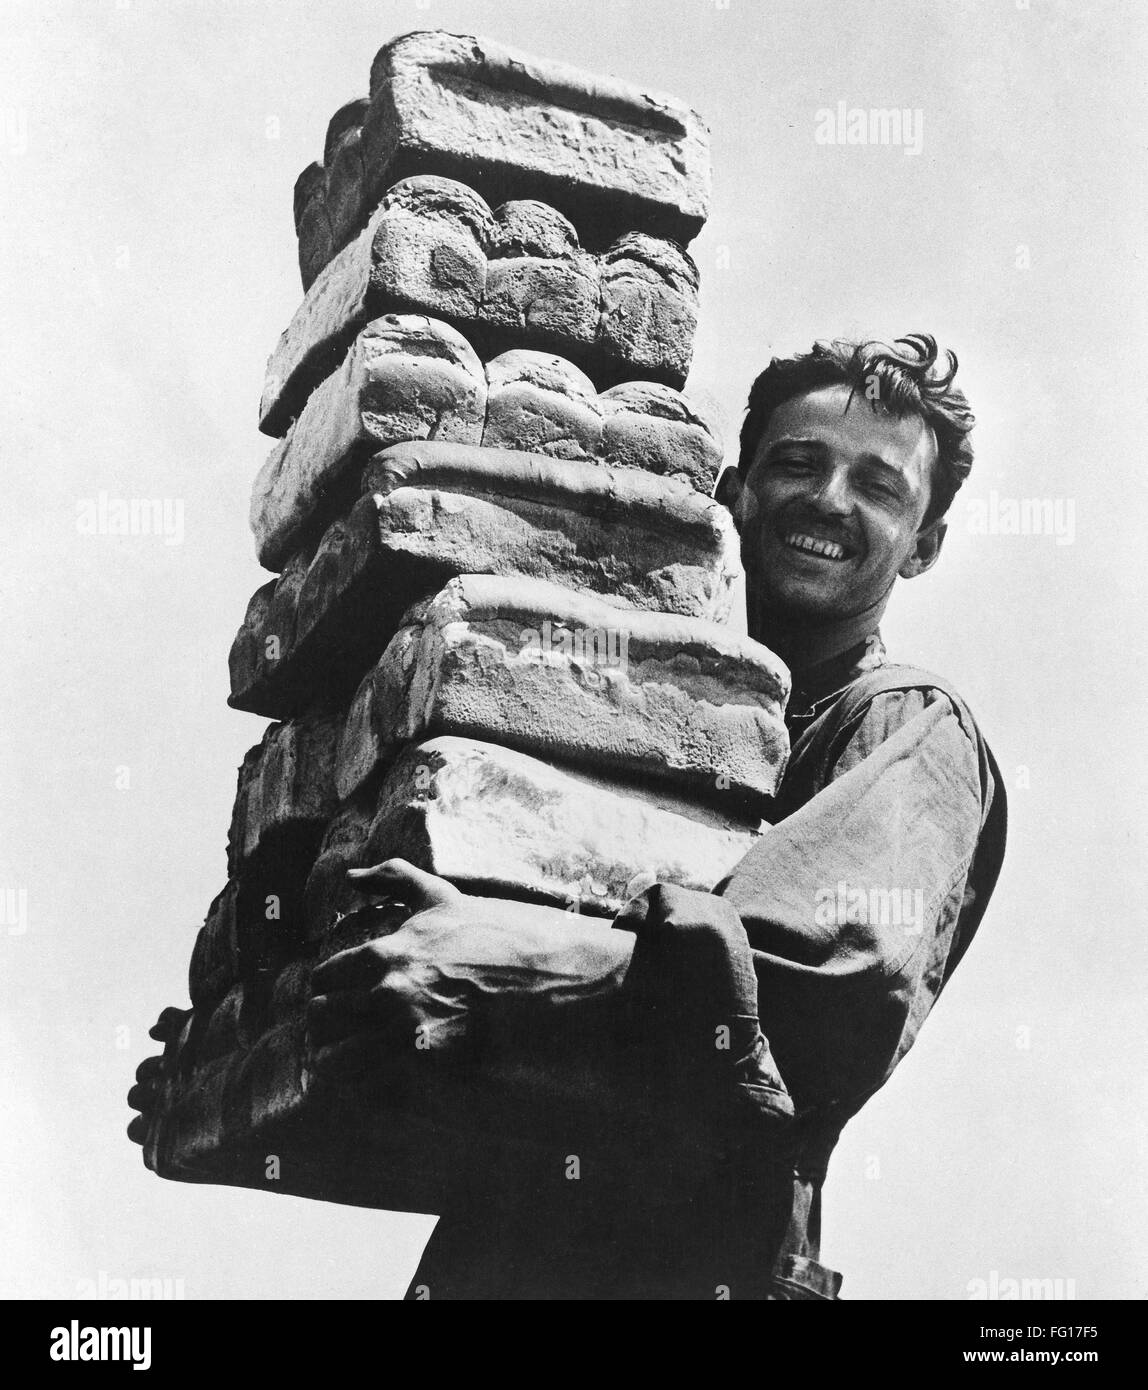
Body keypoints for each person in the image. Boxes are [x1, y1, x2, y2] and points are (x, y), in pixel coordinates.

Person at [130, 333, 1006, 1301]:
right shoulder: (626, 707)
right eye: (796, 463)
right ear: (733, 491)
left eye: (878, 486)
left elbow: (817, 994)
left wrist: (501, 958)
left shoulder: (902, 723)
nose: (828, 500)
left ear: (921, 544)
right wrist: (264, 1032)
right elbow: (446, 1047)